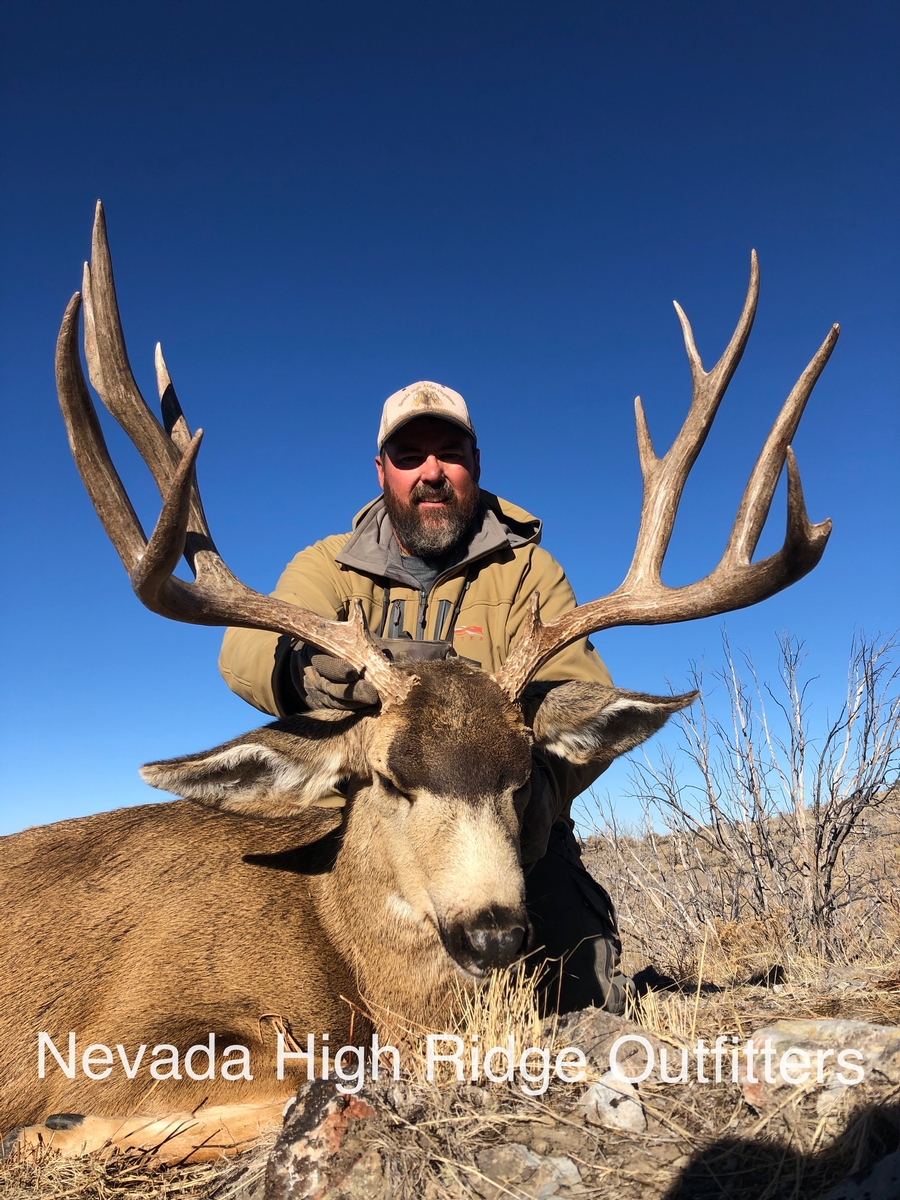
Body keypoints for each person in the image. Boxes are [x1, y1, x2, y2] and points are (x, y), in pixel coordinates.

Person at [219, 381, 633, 1013]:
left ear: (475, 464)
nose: (432, 473)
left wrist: (525, 791)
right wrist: (305, 670)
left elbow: (583, 698)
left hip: (509, 827)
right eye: (410, 455)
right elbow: (244, 650)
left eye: (451, 453)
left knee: (581, 991)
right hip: (361, 818)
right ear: (383, 470)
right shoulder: (329, 564)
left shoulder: (528, 572)